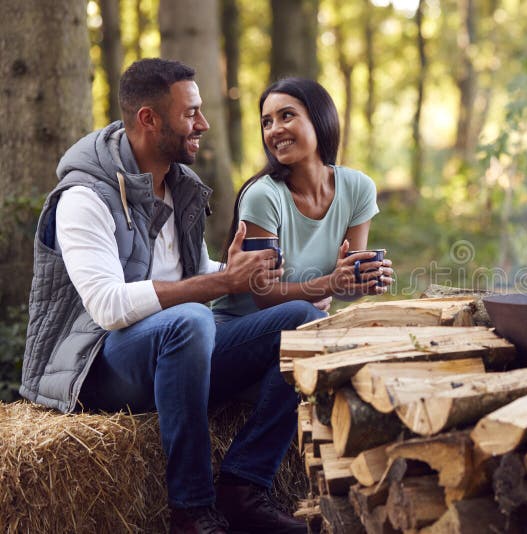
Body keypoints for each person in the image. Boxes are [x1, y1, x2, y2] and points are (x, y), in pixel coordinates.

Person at [19, 58, 323, 534]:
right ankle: (192, 509)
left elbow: (195, 273)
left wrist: (247, 273)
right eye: (191, 114)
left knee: (301, 320)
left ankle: (244, 484)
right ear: (149, 119)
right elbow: (109, 306)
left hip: (174, 351)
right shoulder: (84, 197)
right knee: (191, 320)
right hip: (96, 367)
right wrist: (220, 284)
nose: (202, 124)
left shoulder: (179, 187)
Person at [211, 78, 393, 319]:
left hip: (299, 321)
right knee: (304, 313)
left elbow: (344, 288)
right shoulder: (263, 195)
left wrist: (363, 280)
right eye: (267, 122)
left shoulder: (358, 188)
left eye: (286, 116)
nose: (274, 129)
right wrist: (329, 284)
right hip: (237, 329)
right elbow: (263, 295)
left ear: (319, 119)